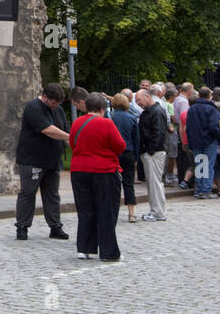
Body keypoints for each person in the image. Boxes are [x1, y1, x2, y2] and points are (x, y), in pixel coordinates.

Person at [69, 92, 125, 261]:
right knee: (106, 210)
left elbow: (73, 143)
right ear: (102, 108)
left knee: (85, 210)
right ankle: (108, 252)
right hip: (103, 170)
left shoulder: (77, 122)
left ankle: (84, 248)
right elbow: (120, 146)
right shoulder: (106, 123)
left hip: (79, 170)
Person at [14, 83, 70, 240]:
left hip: (52, 160)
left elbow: (64, 131)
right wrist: (68, 137)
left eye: (58, 103)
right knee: (28, 192)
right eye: (53, 102)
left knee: (52, 194)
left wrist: (71, 142)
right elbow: (47, 129)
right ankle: (22, 226)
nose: (56, 105)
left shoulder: (57, 109)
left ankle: (55, 226)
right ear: (45, 97)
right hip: (32, 159)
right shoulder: (33, 107)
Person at [136, 89, 168, 221]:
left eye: (139, 100)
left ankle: (158, 212)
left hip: (154, 152)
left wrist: (151, 150)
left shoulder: (156, 112)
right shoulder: (150, 112)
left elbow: (159, 133)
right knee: (153, 183)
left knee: (155, 183)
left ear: (147, 96)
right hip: (150, 151)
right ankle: (156, 210)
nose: (138, 103)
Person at [108, 92, 140, 222]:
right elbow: (136, 139)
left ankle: (112, 210)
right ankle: (131, 213)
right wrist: (136, 157)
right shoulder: (132, 118)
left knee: (112, 183)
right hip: (128, 152)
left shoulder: (111, 118)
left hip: (113, 153)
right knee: (129, 183)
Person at [186, 86, 220, 199]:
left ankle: (199, 189)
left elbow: (189, 127)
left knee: (200, 165)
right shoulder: (211, 109)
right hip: (209, 140)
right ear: (209, 96)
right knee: (208, 165)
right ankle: (205, 190)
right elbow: (214, 126)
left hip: (196, 140)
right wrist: (218, 136)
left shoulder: (192, 108)